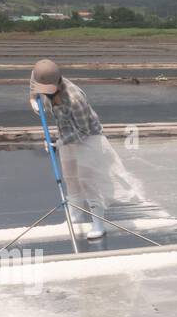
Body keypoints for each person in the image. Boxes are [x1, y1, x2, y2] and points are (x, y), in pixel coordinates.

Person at [29, 58, 133, 241]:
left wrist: (59, 143)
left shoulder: (74, 98)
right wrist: (32, 100)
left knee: (88, 181)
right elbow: (33, 85)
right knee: (70, 178)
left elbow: (83, 130)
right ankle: (75, 216)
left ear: (57, 83)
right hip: (66, 135)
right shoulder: (41, 76)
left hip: (88, 138)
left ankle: (98, 223)